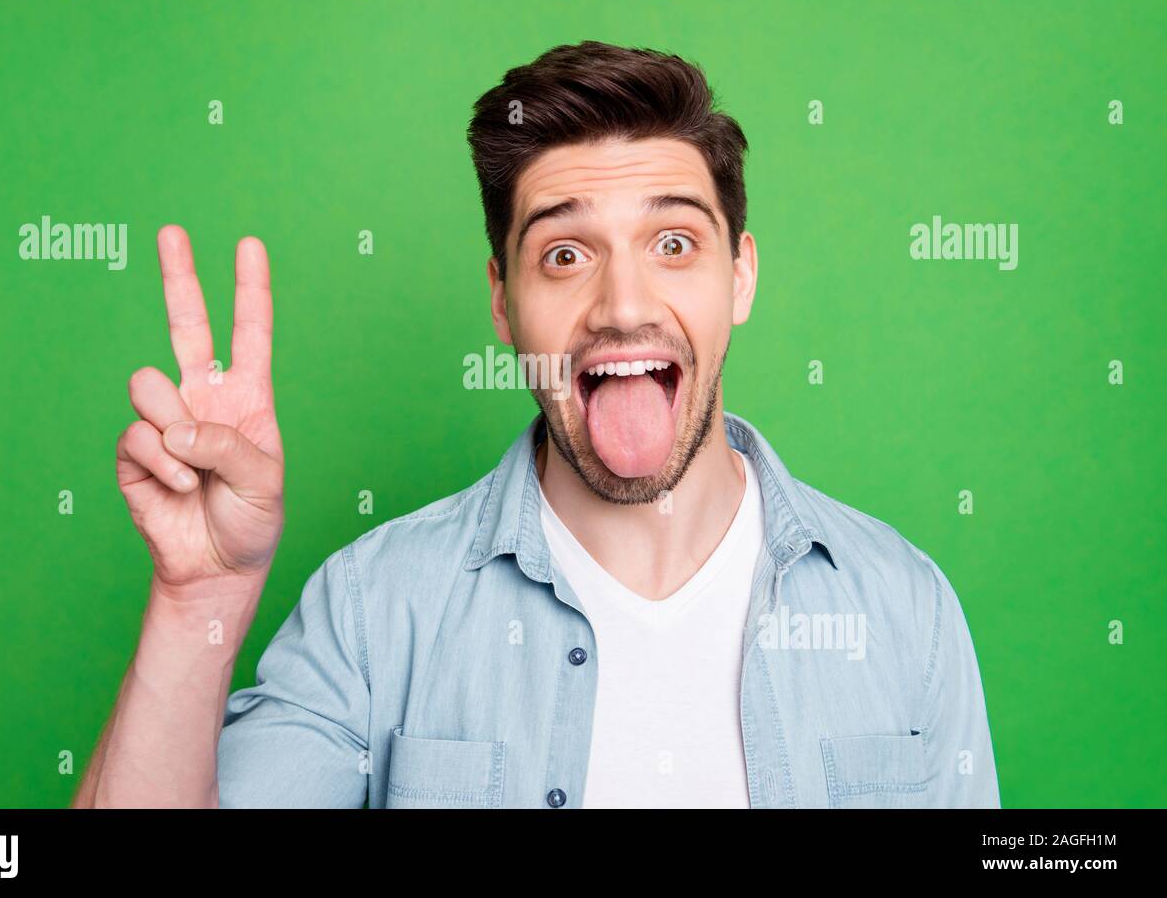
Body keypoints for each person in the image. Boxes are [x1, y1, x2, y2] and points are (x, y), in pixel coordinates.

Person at [73, 40, 1000, 809]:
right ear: (503, 302)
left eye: (673, 243)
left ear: (741, 275)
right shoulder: (372, 614)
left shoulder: (905, 611)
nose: (623, 303)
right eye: (564, 253)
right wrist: (198, 599)